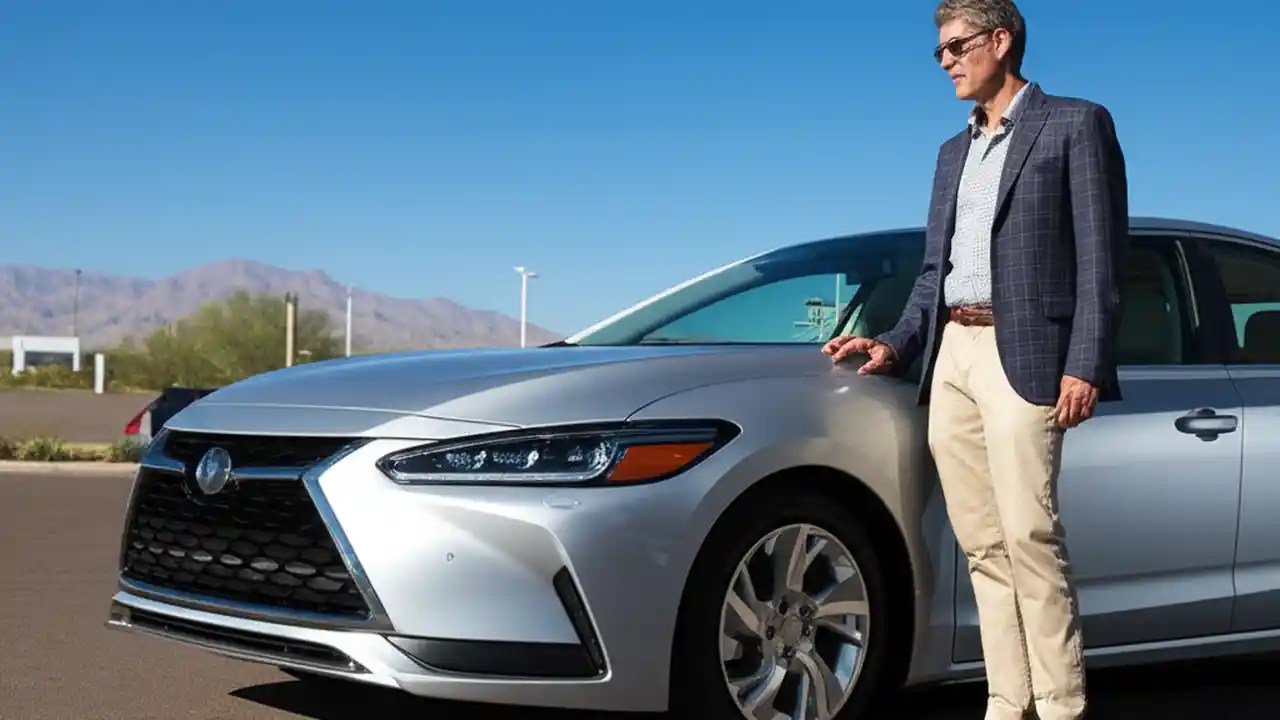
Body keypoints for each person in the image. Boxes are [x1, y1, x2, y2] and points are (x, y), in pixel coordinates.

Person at [823, 1, 1127, 718]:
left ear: (1001, 41)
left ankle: (1059, 704)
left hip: (1028, 353)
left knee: (1029, 534)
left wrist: (1084, 361)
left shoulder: (1076, 124)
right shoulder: (950, 154)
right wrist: (896, 341)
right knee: (982, 546)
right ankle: (1005, 699)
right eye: (939, 52)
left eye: (956, 46)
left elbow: (1101, 259)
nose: (947, 61)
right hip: (952, 355)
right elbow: (937, 272)